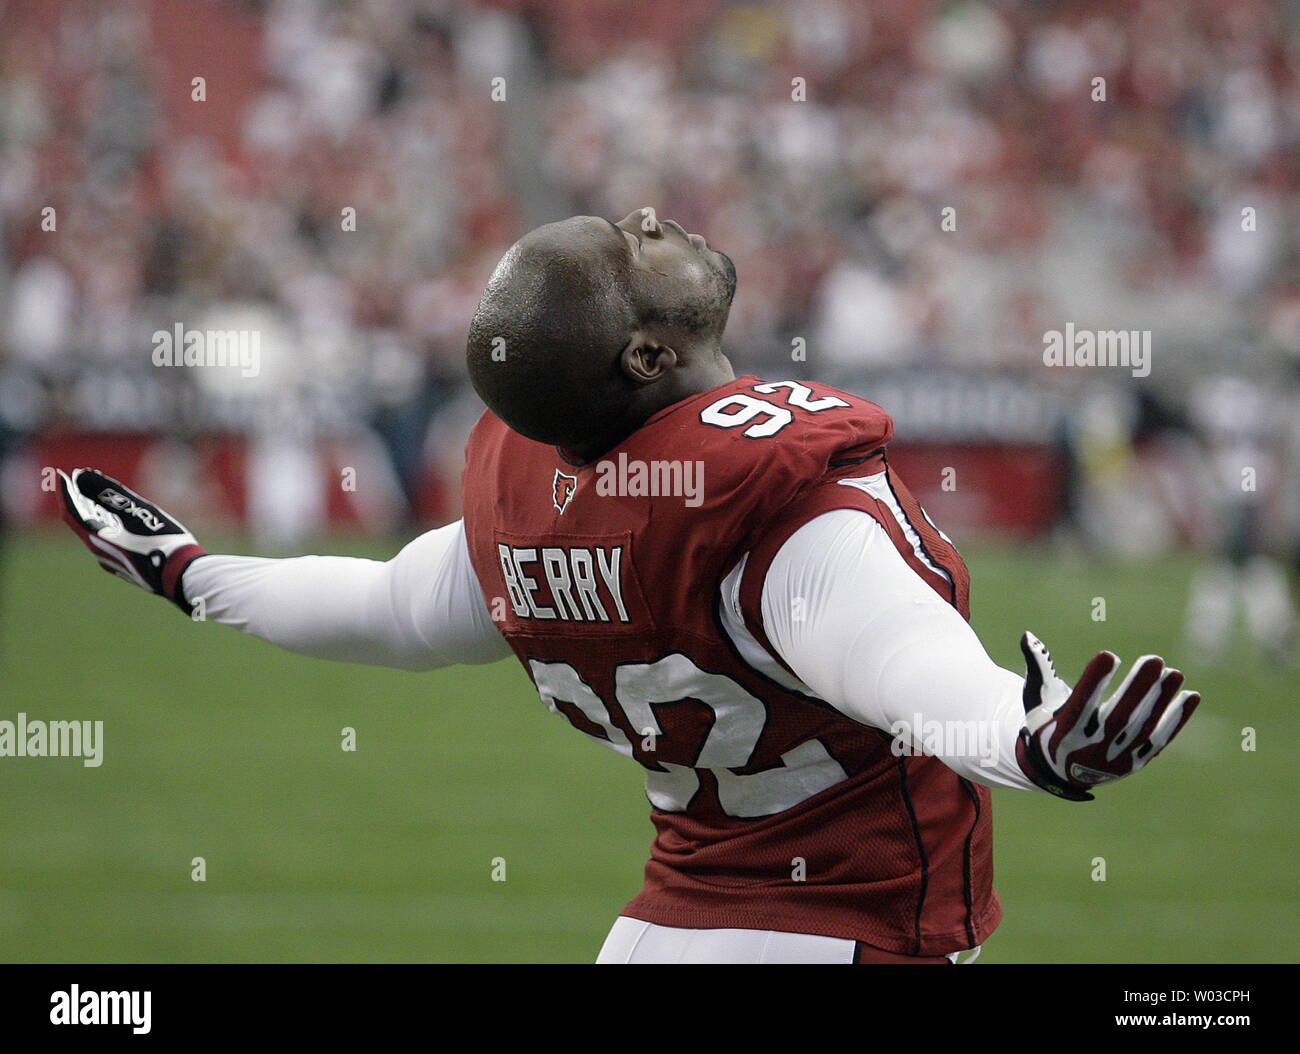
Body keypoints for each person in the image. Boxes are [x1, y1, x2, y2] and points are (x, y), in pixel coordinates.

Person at [59, 208, 1200, 964]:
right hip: (848, 924)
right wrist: (1030, 739)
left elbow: (391, 607)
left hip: (662, 930)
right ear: (646, 358)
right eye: (626, 255)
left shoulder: (536, 500)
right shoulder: (773, 515)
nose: (648, 220)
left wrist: (192, 573)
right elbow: (911, 669)